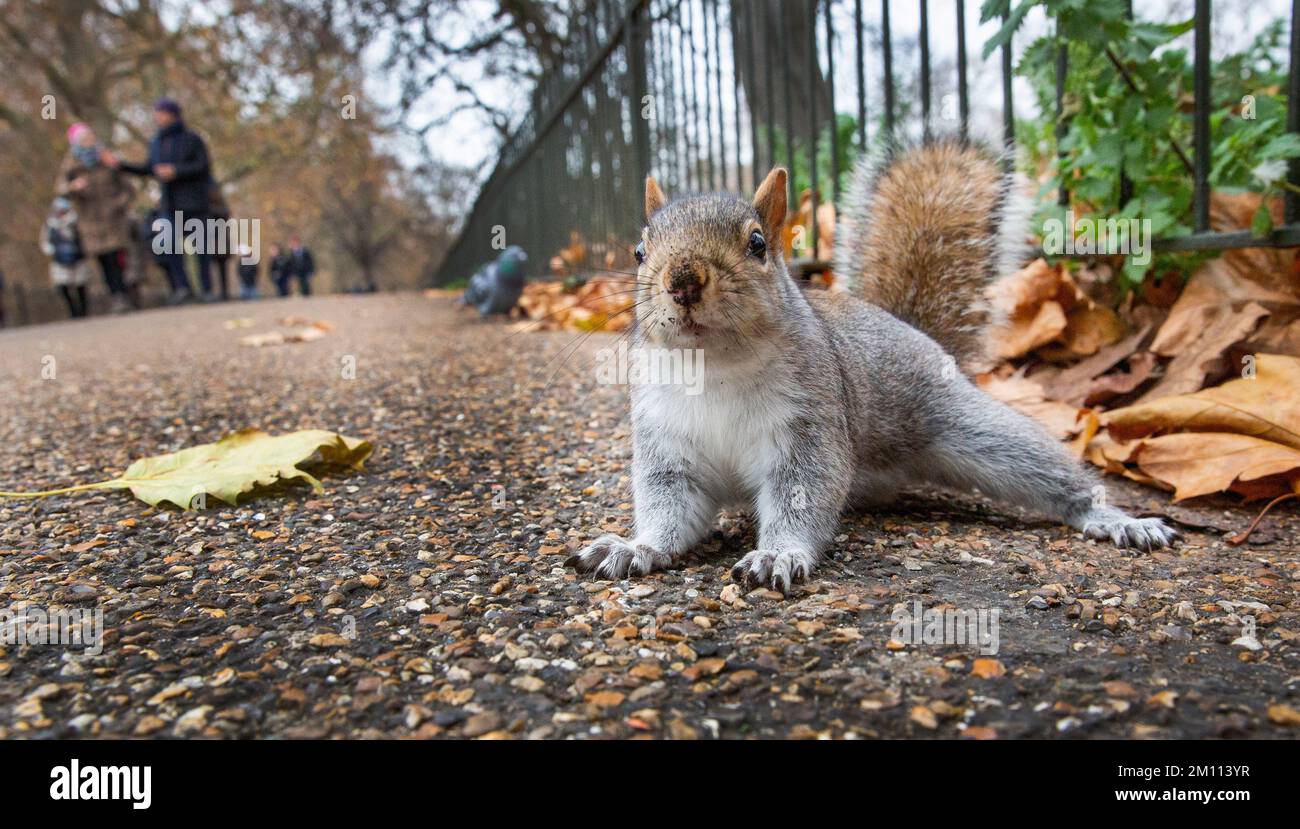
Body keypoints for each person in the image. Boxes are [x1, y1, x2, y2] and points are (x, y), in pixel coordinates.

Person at [103, 98, 217, 302]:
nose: (157, 117)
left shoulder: (192, 139)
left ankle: (206, 289)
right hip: (169, 203)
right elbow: (149, 168)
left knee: (200, 246)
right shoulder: (156, 142)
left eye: (161, 113)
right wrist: (121, 165)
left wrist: (176, 171)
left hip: (193, 201)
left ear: (172, 114)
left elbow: (203, 166)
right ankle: (182, 287)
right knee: (168, 244)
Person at [57, 123, 134, 313]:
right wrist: (73, 186)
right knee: (104, 259)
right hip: (89, 219)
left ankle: (123, 293)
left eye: (90, 136)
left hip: (112, 215)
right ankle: (116, 295)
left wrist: (120, 203)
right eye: (84, 138)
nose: (89, 141)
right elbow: (60, 188)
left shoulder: (106, 157)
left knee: (117, 257)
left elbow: (127, 187)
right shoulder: (72, 164)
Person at [39, 197, 91, 318]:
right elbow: (44, 241)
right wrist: (51, 250)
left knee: (80, 284)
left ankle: (83, 311)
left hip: (78, 258)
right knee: (62, 286)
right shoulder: (50, 224)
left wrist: (82, 248)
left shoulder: (76, 221)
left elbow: (85, 237)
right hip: (59, 260)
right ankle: (73, 310)